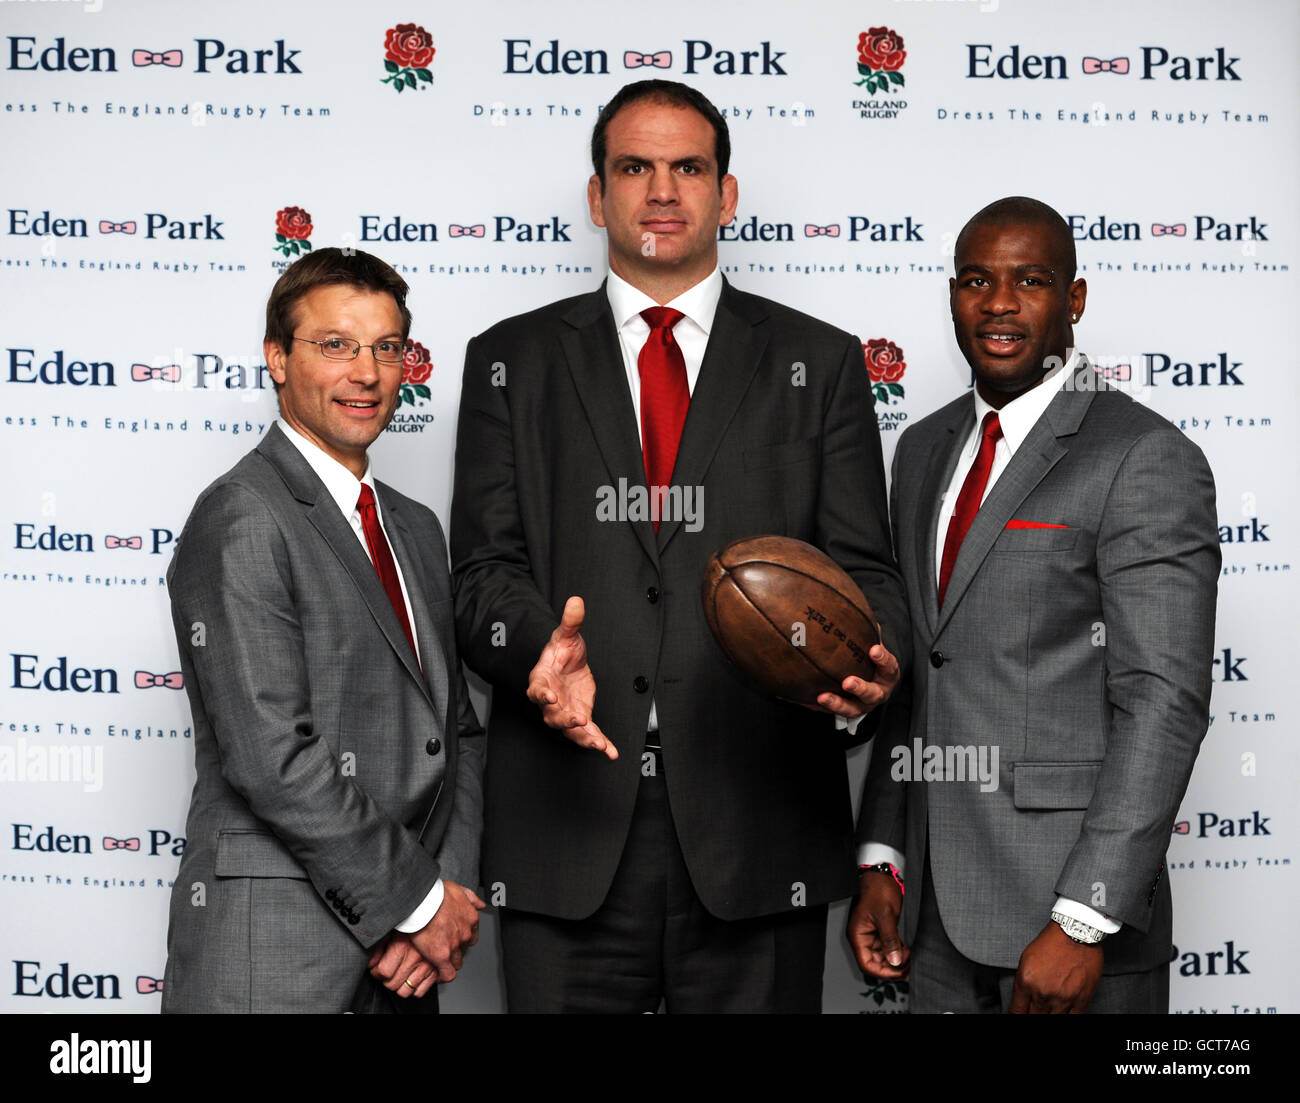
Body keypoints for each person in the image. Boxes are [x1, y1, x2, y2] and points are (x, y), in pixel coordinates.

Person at [450, 79, 908, 1012]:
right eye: (634, 167)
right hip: (564, 828)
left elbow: (869, 576)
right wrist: (540, 651)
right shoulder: (510, 361)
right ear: (597, 196)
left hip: (761, 826)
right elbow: (481, 576)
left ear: (726, 195)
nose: (662, 190)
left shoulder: (819, 364)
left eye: (688, 167)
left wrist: (872, 659)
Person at [848, 197, 1219, 1013]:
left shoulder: (1144, 455)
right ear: (953, 295)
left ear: (1074, 300)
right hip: (936, 920)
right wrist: (884, 860)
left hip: (1069, 917)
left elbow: (1165, 700)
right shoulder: (921, 449)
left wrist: (1085, 917)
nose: (1000, 302)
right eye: (977, 280)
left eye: (1032, 280)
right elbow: (920, 673)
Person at [161, 249, 484, 1013]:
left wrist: (447, 896)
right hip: (277, 958)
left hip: (404, 964)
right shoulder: (242, 513)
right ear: (277, 357)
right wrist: (418, 902)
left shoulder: (415, 526)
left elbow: (458, 731)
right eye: (335, 344)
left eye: (386, 347)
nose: (366, 372)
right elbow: (272, 755)